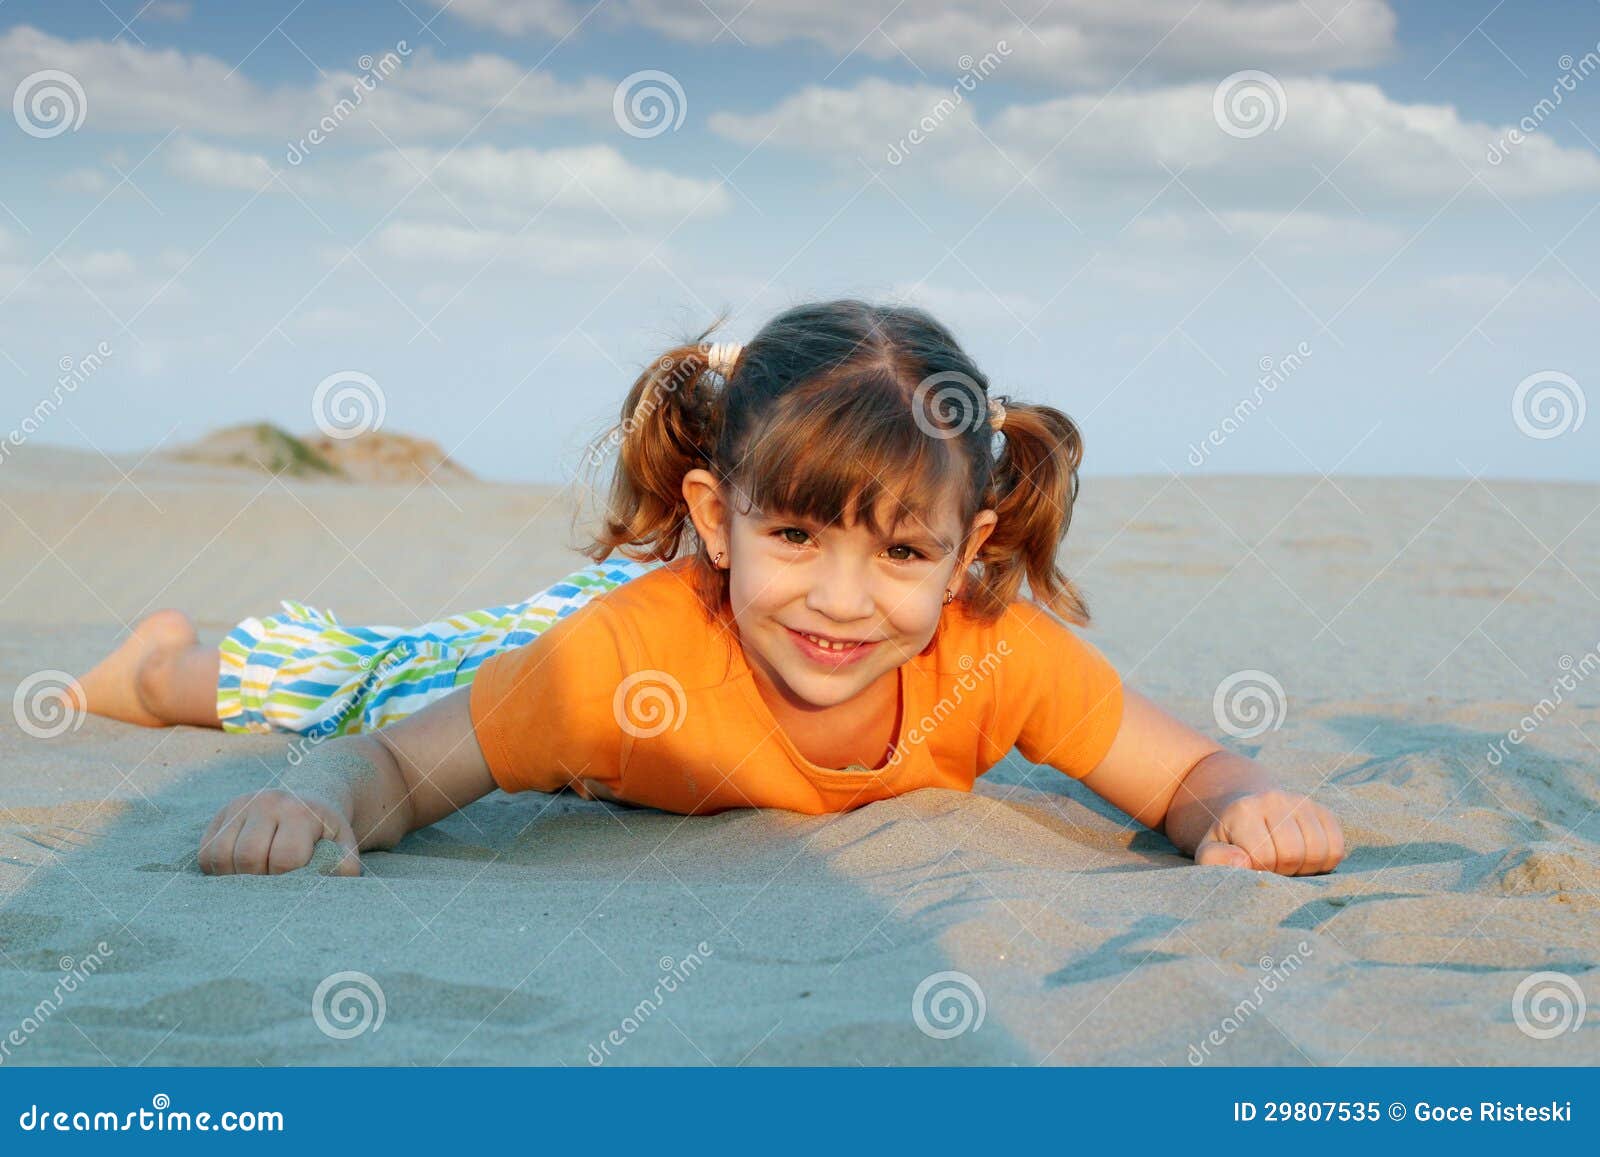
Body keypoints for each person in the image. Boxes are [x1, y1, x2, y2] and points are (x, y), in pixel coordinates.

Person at [70, 299, 1344, 879]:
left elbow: (1187, 772)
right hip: (594, 638)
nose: (843, 599)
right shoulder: (614, 664)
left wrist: (1246, 810)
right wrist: (320, 800)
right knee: (356, 680)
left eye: (902, 552)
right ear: (712, 520)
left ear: (970, 553)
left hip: (677, 621)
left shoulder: (997, 653)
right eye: (796, 533)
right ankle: (155, 663)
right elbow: (396, 770)